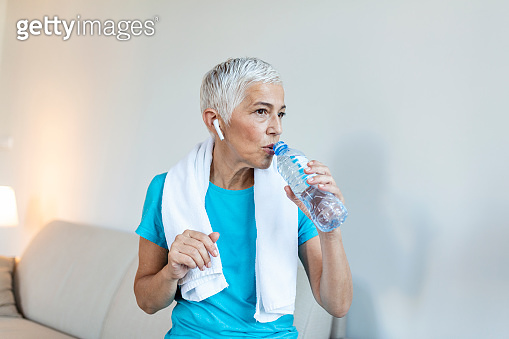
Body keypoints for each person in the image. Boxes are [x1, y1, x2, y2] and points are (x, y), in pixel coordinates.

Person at [134, 57, 352, 338]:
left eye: (280, 113)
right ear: (216, 121)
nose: (276, 128)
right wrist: (171, 272)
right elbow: (146, 301)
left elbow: (338, 305)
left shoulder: (295, 193)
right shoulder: (167, 190)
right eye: (261, 112)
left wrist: (330, 230)